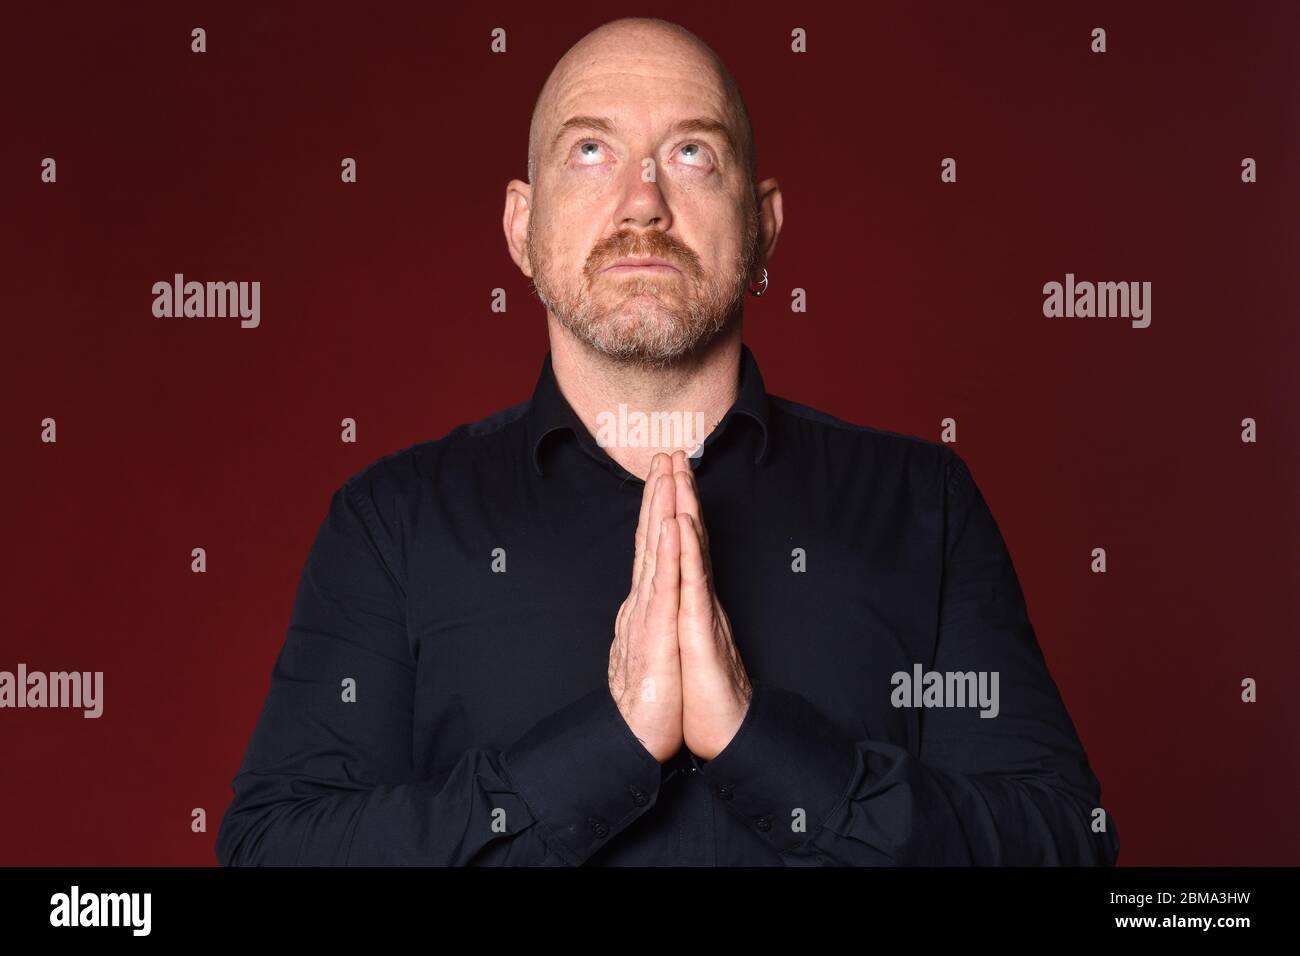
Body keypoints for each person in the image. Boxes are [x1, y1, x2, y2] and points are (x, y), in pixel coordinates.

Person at [215, 16, 1118, 866]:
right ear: (521, 229)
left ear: (763, 226)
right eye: (591, 152)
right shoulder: (391, 523)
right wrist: (607, 749)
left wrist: (755, 742)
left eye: (691, 154)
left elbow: (1067, 843)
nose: (642, 203)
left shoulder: (925, 505)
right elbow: (271, 852)